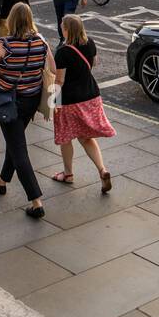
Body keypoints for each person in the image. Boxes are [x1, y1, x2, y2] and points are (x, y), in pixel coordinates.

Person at [0, 2, 56, 218]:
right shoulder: (42, 42)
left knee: (19, 151)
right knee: (16, 141)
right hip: (31, 100)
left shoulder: (4, 45)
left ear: (11, 20)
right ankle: (1, 181)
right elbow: (53, 69)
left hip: (8, 101)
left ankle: (36, 201)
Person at [51, 14, 115, 190]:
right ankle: (102, 170)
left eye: (62, 27)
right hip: (91, 96)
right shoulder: (90, 43)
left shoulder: (63, 52)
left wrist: (54, 102)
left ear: (66, 30)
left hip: (70, 101)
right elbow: (94, 62)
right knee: (86, 138)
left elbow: (59, 81)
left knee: (65, 137)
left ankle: (68, 173)